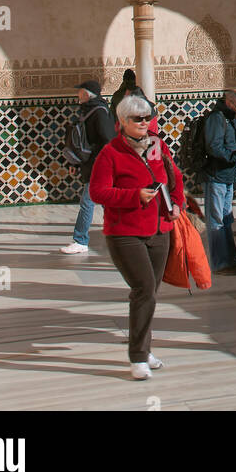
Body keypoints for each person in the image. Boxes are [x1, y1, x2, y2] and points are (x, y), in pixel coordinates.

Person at [89, 93, 185, 379]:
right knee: (143, 289)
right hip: (125, 233)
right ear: (122, 122)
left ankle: (145, 349)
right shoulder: (111, 153)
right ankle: (138, 357)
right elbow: (99, 192)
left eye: (147, 118)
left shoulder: (156, 145)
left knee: (150, 294)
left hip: (159, 230)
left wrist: (177, 204)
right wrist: (134, 196)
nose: (144, 123)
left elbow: (175, 177)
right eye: (137, 119)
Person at [60, 78, 115, 254]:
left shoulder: (98, 112)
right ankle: (119, 232)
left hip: (99, 165)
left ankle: (80, 240)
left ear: (86, 94)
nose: (78, 95)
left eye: (80, 92)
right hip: (92, 164)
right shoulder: (90, 110)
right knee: (106, 201)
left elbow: (108, 138)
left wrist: (102, 162)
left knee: (87, 201)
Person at [203, 88, 236, 275]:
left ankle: (230, 258)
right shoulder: (217, 118)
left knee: (226, 219)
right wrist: (233, 156)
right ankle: (220, 263)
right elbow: (214, 147)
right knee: (216, 221)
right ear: (229, 103)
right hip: (216, 177)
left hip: (227, 176)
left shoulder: (231, 118)